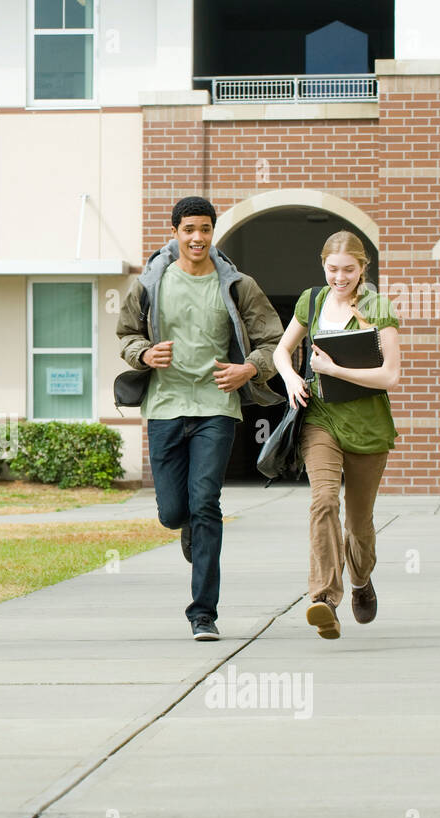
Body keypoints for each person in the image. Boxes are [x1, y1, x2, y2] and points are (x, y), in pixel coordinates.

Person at [116, 196, 284, 641]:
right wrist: (144, 353)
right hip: (165, 407)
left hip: (216, 407)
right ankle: (185, 524)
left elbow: (275, 340)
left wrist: (250, 368)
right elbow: (126, 335)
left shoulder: (237, 285)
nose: (197, 238)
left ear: (214, 233)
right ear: (175, 232)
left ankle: (202, 613)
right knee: (174, 511)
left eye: (205, 229)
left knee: (207, 503)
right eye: (189, 229)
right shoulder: (151, 283)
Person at [271, 230, 402, 639]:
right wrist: (292, 377)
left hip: (367, 425)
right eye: (332, 269)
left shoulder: (377, 307)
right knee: (324, 500)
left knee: (359, 523)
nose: (340, 277)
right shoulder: (312, 301)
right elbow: (280, 350)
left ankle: (361, 580)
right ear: (322, 266)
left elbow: (390, 376)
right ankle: (324, 598)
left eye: (348, 269)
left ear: (363, 268)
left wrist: (335, 370)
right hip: (320, 418)